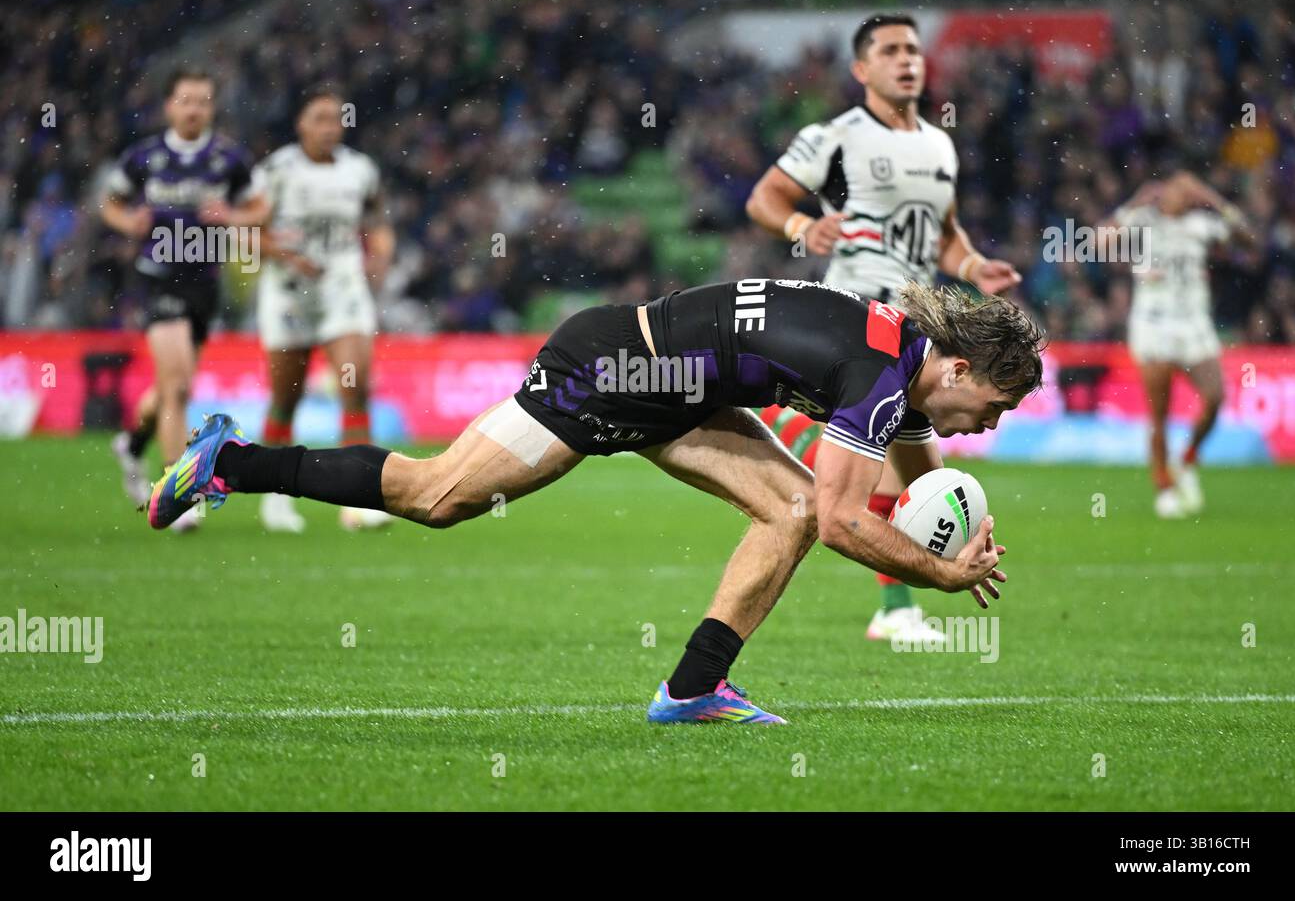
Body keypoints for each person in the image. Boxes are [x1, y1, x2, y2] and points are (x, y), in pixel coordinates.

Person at [145, 278, 1044, 725]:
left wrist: (935, 506)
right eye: (993, 409)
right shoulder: (880, 376)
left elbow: (895, 458)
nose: (987, 428)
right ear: (959, 369)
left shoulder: (894, 354)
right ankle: (234, 462)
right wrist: (937, 573)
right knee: (437, 496)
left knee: (793, 510)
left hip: (672, 381)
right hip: (612, 371)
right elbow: (853, 515)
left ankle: (693, 690)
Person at [746, 13, 1020, 644]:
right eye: (891, 51)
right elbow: (766, 196)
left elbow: (943, 236)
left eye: (914, 50)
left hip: (915, 325)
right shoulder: (837, 135)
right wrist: (799, 228)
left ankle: (894, 606)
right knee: (894, 475)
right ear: (861, 69)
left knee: (904, 475)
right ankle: (896, 610)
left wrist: (975, 266)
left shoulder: (939, 145)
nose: (908, 61)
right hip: (856, 316)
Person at [103, 67, 263, 532]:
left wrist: (232, 214)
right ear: (170, 106)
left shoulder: (229, 159)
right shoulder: (145, 157)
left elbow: (260, 207)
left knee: (175, 388)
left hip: (203, 285)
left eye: (203, 100)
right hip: (158, 278)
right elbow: (111, 202)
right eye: (186, 100)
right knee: (175, 388)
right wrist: (127, 222)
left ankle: (131, 444)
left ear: (211, 107)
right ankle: (177, 491)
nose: (194, 108)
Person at [249, 86, 396, 532]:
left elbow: (377, 219)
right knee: (286, 397)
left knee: (356, 385)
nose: (330, 127)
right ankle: (275, 497)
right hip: (290, 292)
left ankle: (358, 499)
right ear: (301, 124)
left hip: (341, 288)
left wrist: (381, 255)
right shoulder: (275, 171)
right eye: (320, 119)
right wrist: (285, 254)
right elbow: (246, 233)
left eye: (336, 119)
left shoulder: (360, 171)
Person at [1104, 172, 1254, 517]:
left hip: (1194, 325)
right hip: (1153, 325)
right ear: (1163, 193)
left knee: (1215, 398)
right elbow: (1097, 243)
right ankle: (1164, 486)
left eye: (1190, 190)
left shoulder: (1202, 224)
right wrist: (1132, 202)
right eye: (1178, 189)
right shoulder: (1142, 221)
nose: (1184, 196)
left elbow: (1249, 239)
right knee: (1160, 414)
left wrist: (1215, 199)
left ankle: (1186, 460)